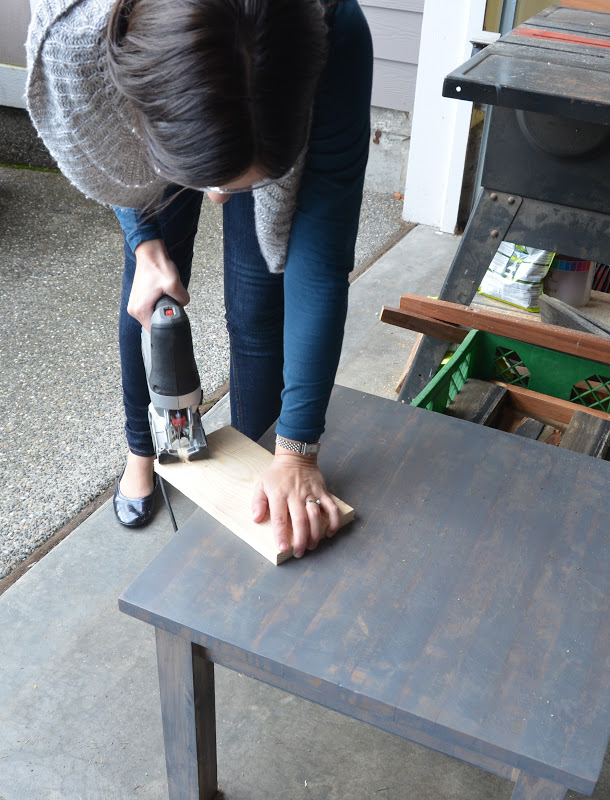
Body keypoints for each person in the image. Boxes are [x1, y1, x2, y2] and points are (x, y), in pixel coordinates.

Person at [26, 0, 373, 557]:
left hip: (262, 91)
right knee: (150, 295)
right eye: (209, 182)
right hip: (153, 72)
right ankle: (144, 449)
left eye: (236, 185)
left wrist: (296, 450)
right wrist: (145, 245)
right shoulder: (78, 38)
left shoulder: (337, 33)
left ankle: (257, 453)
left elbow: (321, 260)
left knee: (260, 305)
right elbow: (111, 155)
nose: (216, 199)